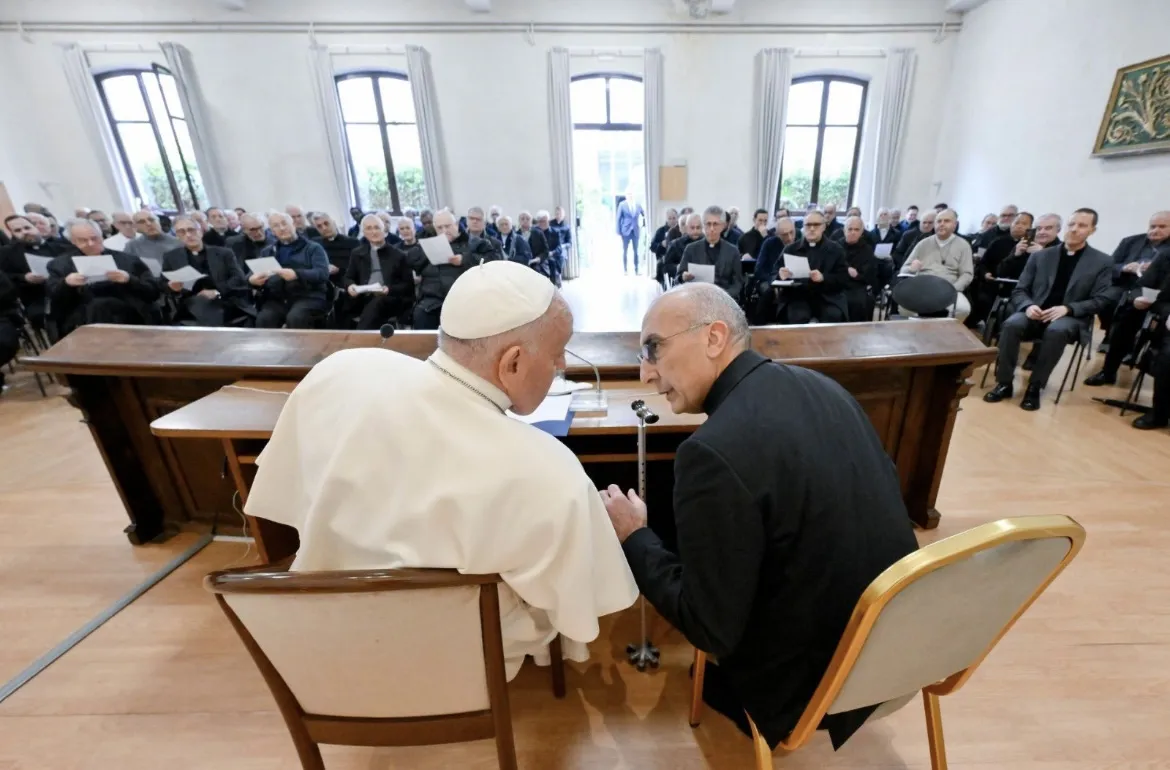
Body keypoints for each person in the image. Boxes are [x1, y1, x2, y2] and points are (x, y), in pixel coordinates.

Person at [245, 260, 639, 679]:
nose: (563, 367)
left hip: (330, 634)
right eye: (559, 353)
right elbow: (575, 602)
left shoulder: (339, 372)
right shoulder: (551, 469)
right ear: (513, 363)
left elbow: (284, 501)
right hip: (459, 658)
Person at [601, 282, 918, 751]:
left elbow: (709, 626)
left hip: (816, 685)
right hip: (901, 648)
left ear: (713, 338)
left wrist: (634, 535)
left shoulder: (711, 453)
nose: (646, 372)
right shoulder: (823, 388)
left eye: (653, 349)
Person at [984, 208, 1114, 411]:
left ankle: (1035, 387)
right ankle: (1004, 383)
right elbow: (1020, 290)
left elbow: (1102, 299)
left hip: (1070, 317)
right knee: (1011, 324)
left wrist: (1068, 309)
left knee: (1057, 330)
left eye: (1082, 225)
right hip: (1035, 311)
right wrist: (1028, 305)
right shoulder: (1041, 256)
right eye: (1072, 224)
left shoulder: (1102, 262)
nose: (1074, 229)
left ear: (1092, 230)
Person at [46, 219, 159, 337]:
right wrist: (66, 284)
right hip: (83, 315)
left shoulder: (128, 260)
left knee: (104, 306)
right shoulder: (59, 264)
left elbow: (152, 291)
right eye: (83, 240)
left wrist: (129, 280)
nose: (90, 243)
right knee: (98, 306)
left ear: (102, 237)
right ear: (73, 241)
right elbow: (54, 298)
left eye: (94, 238)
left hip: (128, 310)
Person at [1084, 246, 1170, 389]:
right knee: (1128, 314)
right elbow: (1144, 284)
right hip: (1159, 305)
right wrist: (1137, 298)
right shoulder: (1166, 254)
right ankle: (1109, 371)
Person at [408, 210, 499, 329]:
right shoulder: (426, 246)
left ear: (456, 225)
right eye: (439, 228)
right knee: (420, 315)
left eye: (447, 226)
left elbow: (493, 260)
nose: (444, 231)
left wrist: (464, 260)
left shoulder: (474, 243)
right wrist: (428, 242)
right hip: (432, 301)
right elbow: (411, 261)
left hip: (464, 299)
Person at [160, 216, 253, 326]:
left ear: (201, 231)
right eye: (182, 232)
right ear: (177, 236)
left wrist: (217, 292)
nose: (188, 235)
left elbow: (238, 278)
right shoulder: (171, 257)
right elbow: (163, 284)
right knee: (198, 305)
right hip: (190, 302)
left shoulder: (223, 253)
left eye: (191, 230)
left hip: (224, 299)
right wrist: (172, 287)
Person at [250, 212, 330, 329]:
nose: (282, 228)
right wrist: (252, 280)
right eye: (276, 226)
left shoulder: (313, 248)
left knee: (296, 317)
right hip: (278, 299)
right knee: (264, 318)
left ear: (293, 225)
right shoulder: (268, 251)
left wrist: (297, 274)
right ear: (272, 231)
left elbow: (322, 274)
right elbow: (250, 275)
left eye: (284, 223)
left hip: (309, 296)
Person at [769, 211, 849, 324]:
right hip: (798, 296)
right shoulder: (791, 249)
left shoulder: (836, 250)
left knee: (832, 317)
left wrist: (823, 278)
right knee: (796, 318)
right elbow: (773, 274)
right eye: (808, 225)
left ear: (824, 227)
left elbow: (843, 278)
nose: (811, 228)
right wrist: (780, 275)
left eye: (816, 225)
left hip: (827, 297)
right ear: (803, 227)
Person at [1103, 211, 1170, 337]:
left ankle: (1134, 340)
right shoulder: (1129, 241)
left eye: (1162, 227)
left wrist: (1154, 269)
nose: (1155, 230)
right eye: (1152, 226)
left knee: (1138, 306)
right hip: (1125, 284)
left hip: (1154, 290)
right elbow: (1109, 266)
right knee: (1106, 299)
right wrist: (1125, 267)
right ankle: (1109, 334)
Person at [899, 209, 974, 320]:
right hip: (923, 287)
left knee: (963, 309)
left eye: (946, 221)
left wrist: (953, 289)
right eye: (939, 221)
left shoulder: (963, 245)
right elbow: (903, 270)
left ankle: (945, 334)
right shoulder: (923, 243)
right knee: (904, 307)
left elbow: (967, 274)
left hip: (949, 288)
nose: (942, 224)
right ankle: (915, 333)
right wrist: (911, 268)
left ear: (955, 225)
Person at [344, 214, 414, 330]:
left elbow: (408, 285)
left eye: (377, 227)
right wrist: (350, 286)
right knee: (343, 304)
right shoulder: (357, 253)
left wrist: (389, 289)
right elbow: (348, 277)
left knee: (377, 303)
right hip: (363, 296)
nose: (374, 232)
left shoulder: (398, 255)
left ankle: (358, 340)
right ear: (364, 233)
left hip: (390, 298)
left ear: (384, 231)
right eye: (369, 228)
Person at [0, 214, 70, 330]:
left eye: (27, 228)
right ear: (12, 234)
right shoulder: (7, 253)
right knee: (49, 315)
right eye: (18, 230)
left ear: (35, 226)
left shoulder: (60, 245)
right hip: (38, 298)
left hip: (68, 291)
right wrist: (24, 278)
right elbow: (5, 277)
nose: (25, 232)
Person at [677, 205, 744, 300]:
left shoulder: (732, 251)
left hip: (724, 300)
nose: (712, 228)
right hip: (696, 299)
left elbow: (737, 283)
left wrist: (723, 297)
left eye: (715, 224)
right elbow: (678, 278)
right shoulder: (691, 249)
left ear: (723, 225)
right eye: (708, 224)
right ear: (703, 225)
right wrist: (683, 277)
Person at [841, 216, 878, 322]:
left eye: (856, 230)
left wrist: (857, 275)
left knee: (859, 302)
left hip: (857, 285)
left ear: (861, 233)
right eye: (850, 229)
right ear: (844, 230)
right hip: (839, 283)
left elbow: (870, 274)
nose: (853, 232)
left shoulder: (867, 250)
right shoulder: (836, 246)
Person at [662, 213, 702, 288]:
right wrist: (679, 268)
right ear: (687, 228)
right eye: (692, 228)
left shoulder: (708, 243)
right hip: (683, 285)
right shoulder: (675, 244)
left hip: (705, 285)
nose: (695, 231)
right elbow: (666, 267)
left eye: (698, 227)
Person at [617, 191, 645, 274]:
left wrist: (643, 225)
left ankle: (636, 269)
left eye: (631, 194)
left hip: (635, 230)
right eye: (628, 194)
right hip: (625, 230)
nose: (630, 196)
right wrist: (618, 231)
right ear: (626, 196)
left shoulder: (638, 205)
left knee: (636, 251)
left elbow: (644, 215)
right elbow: (618, 218)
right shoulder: (622, 205)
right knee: (625, 250)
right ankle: (625, 269)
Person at [534, 210, 563, 284]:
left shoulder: (555, 232)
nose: (542, 223)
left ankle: (553, 285)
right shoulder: (534, 232)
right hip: (538, 257)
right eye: (540, 221)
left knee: (552, 262)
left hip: (551, 256)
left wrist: (552, 253)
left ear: (548, 221)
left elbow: (559, 248)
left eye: (544, 221)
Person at [651, 208, 679, 275]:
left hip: (677, 261)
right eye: (669, 218)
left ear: (677, 218)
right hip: (664, 261)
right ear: (666, 219)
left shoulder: (681, 230)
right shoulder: (660, 231)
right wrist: (661, 244)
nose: (672, 221)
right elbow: (652, 247)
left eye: (674, 218)